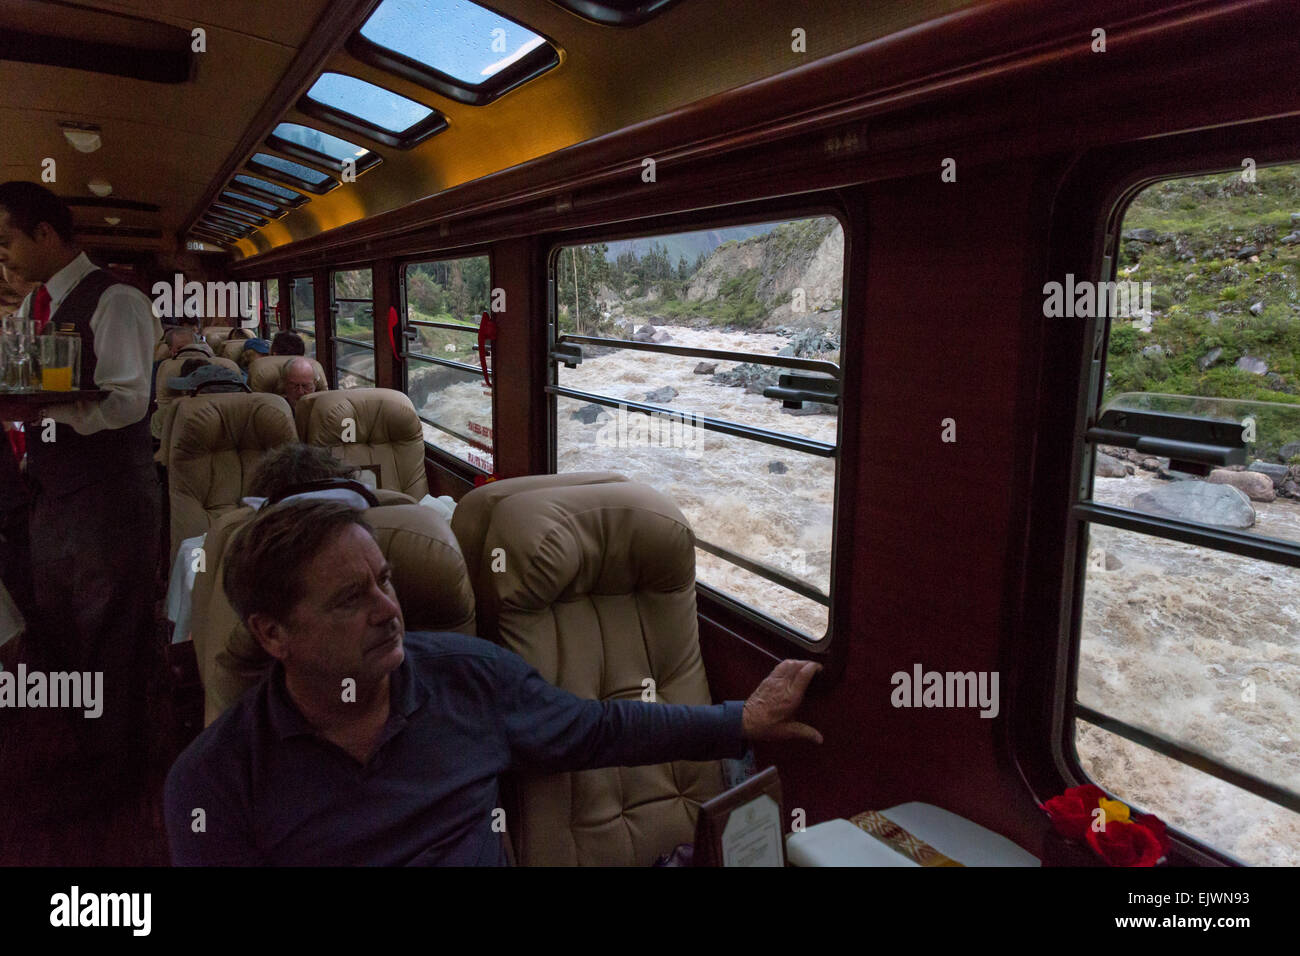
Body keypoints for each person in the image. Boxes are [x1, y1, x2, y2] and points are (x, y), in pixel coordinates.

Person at [164, 500, 821, 865]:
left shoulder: (467, 679)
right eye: (348, 600)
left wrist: (739, 722)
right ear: (273, 634)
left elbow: (598, 729)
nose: (389, 610)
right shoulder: (217, 779)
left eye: (385, 581)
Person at [0, 181, 163, 799]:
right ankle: (89, 751)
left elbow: (125, 402)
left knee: (112, 635)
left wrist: (47, 408)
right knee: (62, 629)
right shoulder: (24, 312)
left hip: (109, 498)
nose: (5, 259)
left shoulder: (115, 300)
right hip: (50, 496)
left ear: (45, 235)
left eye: (8, 242)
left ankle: (119, 774)